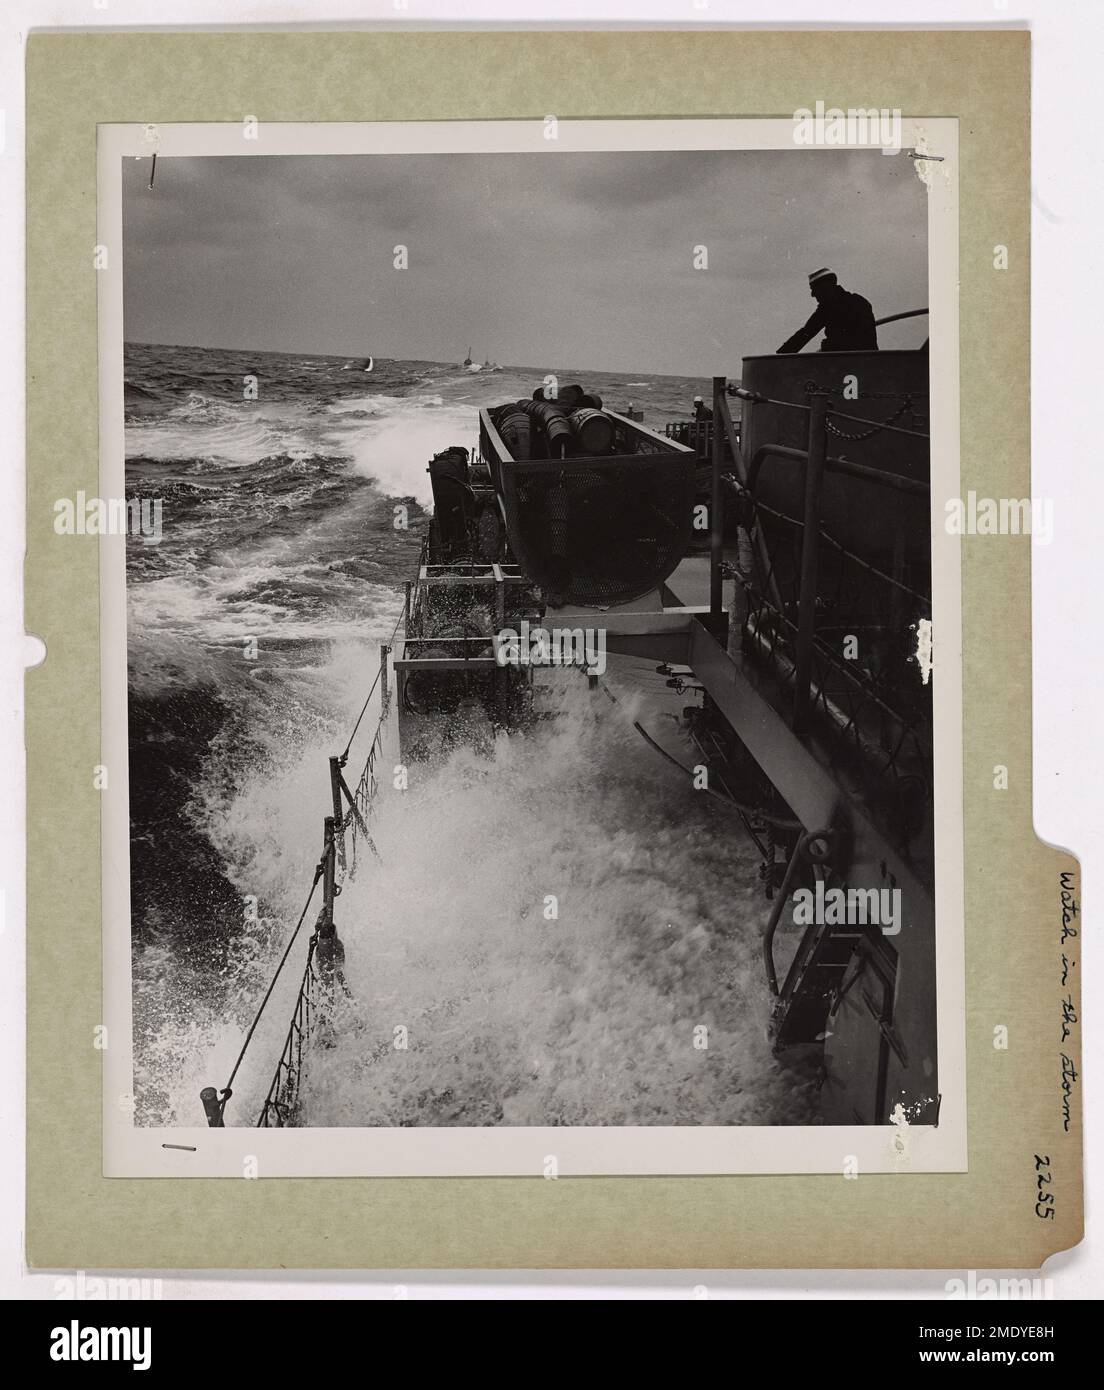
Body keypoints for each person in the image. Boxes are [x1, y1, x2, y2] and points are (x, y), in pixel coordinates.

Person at [777, 268, 878, 354]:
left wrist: (779, 357)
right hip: (868, 363)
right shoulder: (860, 301)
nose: (812, 294)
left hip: (844, 364)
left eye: (814, 289)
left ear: (824, 288)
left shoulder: (827, 308)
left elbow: (807, 332)